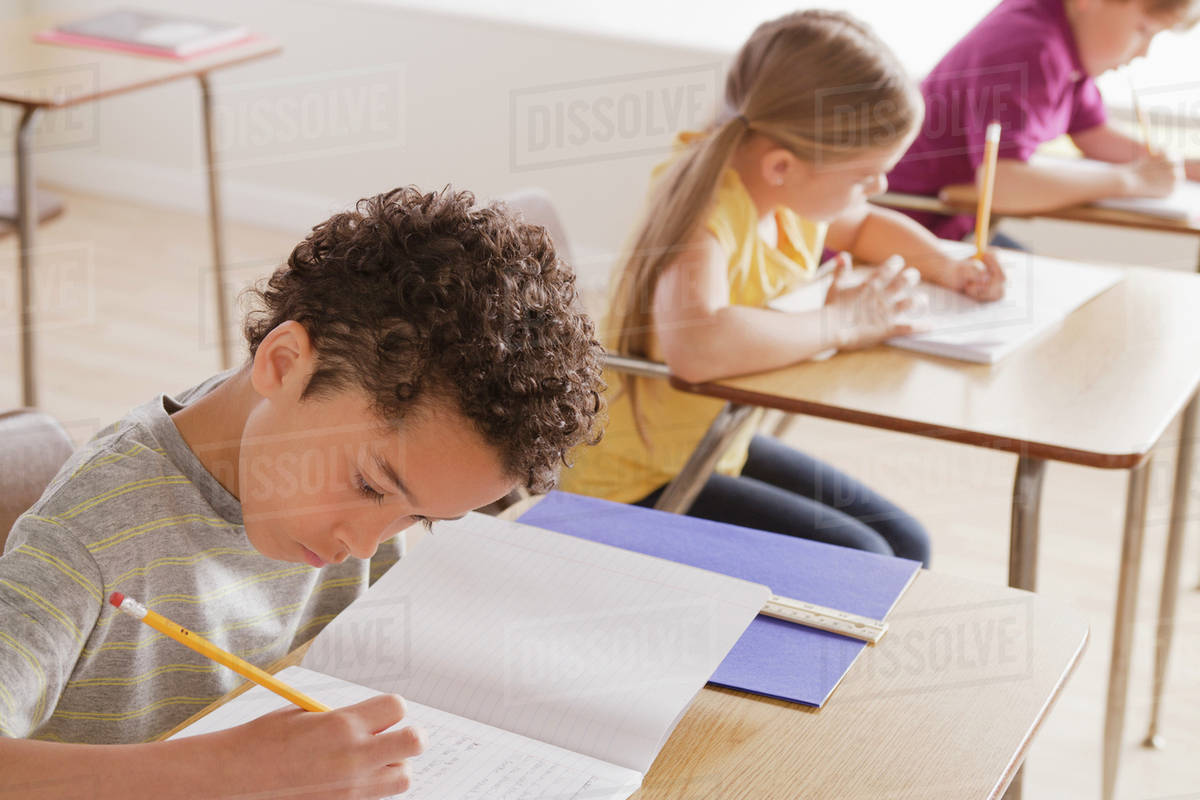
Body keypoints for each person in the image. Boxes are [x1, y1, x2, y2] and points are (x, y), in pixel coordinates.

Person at [0, 186, 604, 800]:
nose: (364, 546)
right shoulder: (87, 539)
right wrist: (220, 775)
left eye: (420, 517)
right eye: (369, 485)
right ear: (284, 364)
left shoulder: (303, 443)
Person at [560, 10, 990, 567]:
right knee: (869, 559)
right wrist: (840, 324)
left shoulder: (783, 192)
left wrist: (946, 265)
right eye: (863, 176)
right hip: (624, 484)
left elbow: (860, 225)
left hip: (712, 445)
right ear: (783, 165)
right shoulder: (705, 206)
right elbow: (697, 346)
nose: (879, 187)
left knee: (906, 544)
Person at [889, 0, 1200, 242]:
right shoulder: (1029, 45)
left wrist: (1182, 167)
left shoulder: (1067, 43)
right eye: (1142, 30)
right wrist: (1130, 181)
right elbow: (1001, 183)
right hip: (902, 227)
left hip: (953, 227)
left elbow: (1093, 134)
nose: (1144, 53)